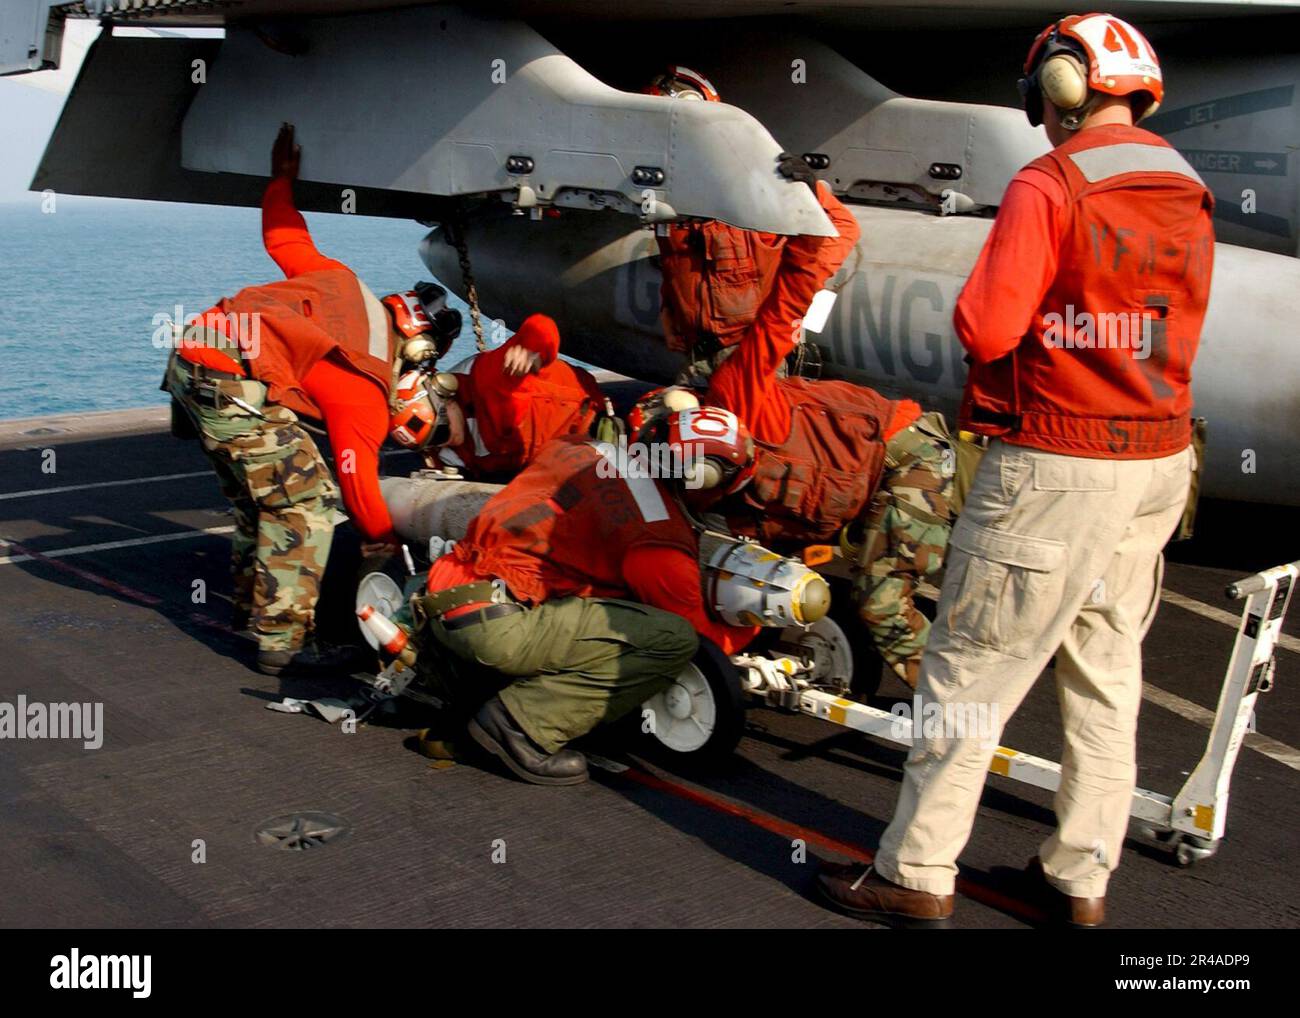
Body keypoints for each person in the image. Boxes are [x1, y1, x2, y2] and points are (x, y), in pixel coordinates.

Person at [817, 13, 1214, 927]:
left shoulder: (1052, 180)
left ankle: (916, 873)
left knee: (967, 673)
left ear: (1065, 86)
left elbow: (987, 329)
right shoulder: (1184, 182)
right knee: (1106, 677)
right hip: (1157, 461)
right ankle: (1079, 882)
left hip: (1057, 464)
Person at [165, 124, 463, 676]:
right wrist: (380, 542)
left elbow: (282, 236)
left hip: (194, 354)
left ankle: (246, 613)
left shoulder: (340, 280)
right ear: (415, 351)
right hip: (232, 379)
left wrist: (281, 180)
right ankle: (282, 643)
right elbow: (356, 482)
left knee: (262, 497)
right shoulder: (368, 386)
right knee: (306, 505)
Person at [662, 153, 959, 690]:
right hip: (865, 476)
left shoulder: (741, 386)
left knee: (883, 601)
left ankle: (959, 715)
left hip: (905, 458)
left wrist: (815, 198)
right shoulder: (708, 484)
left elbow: (801, 283)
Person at [418, 407, 775, 785]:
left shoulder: (580, 446)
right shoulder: (658, 537)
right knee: (672, 640)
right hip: (499, 626)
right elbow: (703, 646)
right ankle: (519, 728)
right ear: (701, 480)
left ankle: (462, 673)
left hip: (450, 590)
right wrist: (754, 625)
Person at [646, 67, 858, 385]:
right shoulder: (678, 202)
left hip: (751, 363)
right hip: (698, 359)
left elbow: (842, 227)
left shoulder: (758, 184)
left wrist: (810, 191)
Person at [434, 313, 614, 479]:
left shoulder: (489, 377)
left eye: (442, 430)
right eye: (434, 438)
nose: (446, 440)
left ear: (447, 402)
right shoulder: (445, 452)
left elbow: (542, 326)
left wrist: (531, 349)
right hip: (553, 461)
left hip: (590, 415)